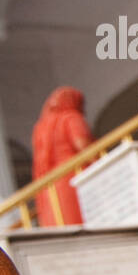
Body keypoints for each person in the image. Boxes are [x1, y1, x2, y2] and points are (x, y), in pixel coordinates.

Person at [32, 86, 94, 226]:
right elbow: (83, 145)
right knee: (78, 220)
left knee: (60, 222)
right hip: (72, 177)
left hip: (50, 186)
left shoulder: (40, 127)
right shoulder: (71, 117)